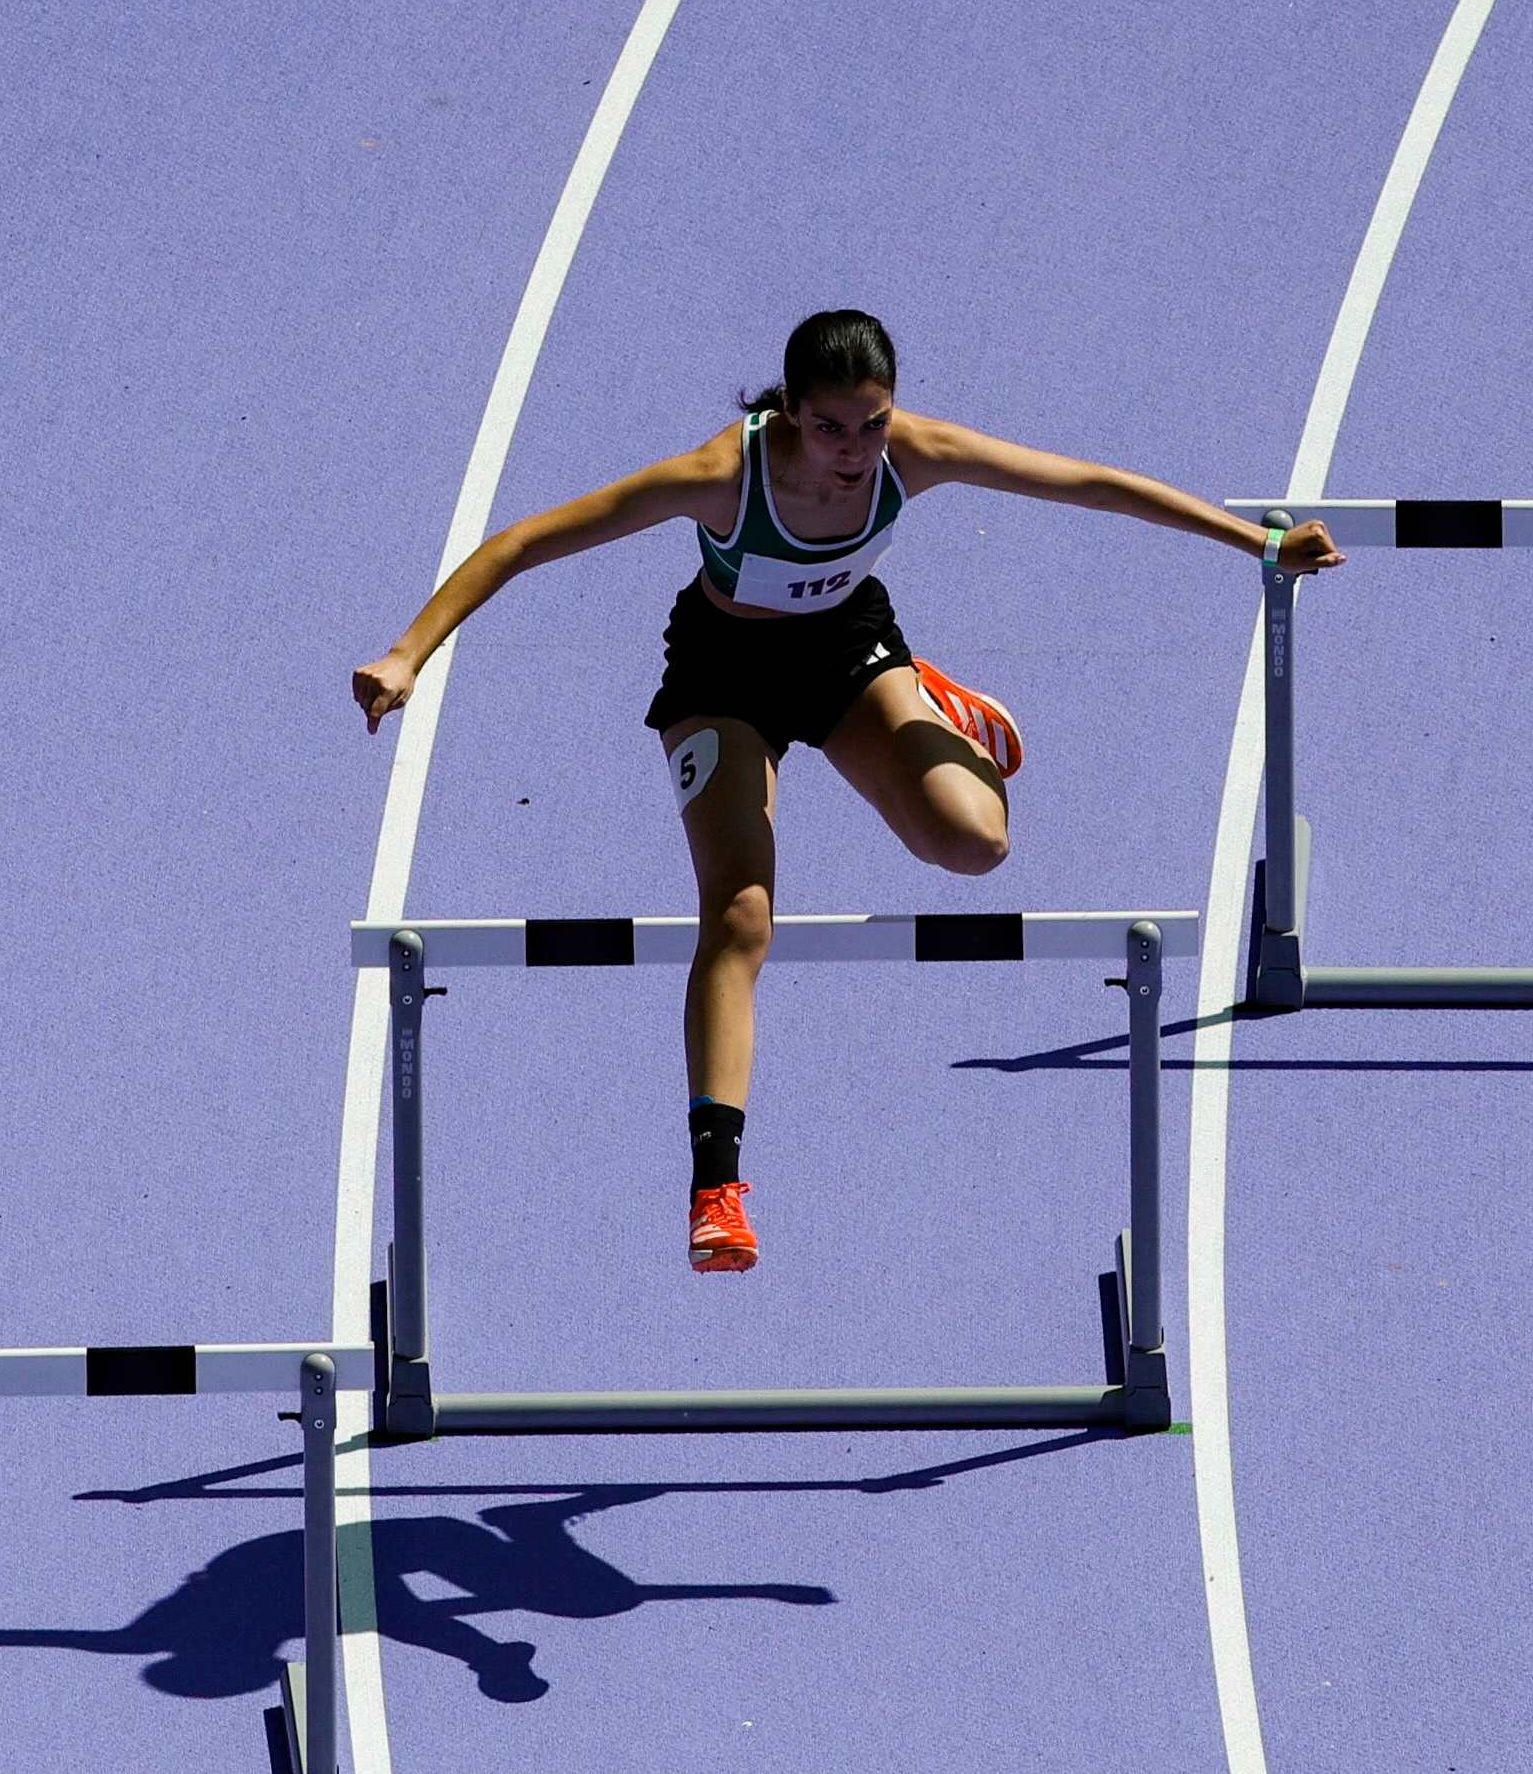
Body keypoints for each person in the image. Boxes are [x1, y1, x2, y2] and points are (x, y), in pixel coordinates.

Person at [349, 307, 1341, 1272]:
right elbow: (522, 540)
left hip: (845, 654)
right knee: (738, 915)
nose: (855, 449)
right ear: (790, 414)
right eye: (830, 428)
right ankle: (716, 1190)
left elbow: (1090, 486)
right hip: (720, 679)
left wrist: (1255, 542)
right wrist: (406, 655)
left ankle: (933, 704)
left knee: (974, 845)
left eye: (872, 423)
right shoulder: (718, 478)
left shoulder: (913, 455)